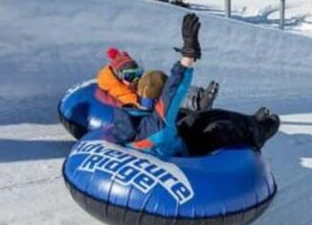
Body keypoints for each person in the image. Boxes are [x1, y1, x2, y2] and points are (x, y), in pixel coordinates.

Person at [111, 13, 280, 158]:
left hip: (171, 136)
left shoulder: (127, 117)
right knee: (219, 130)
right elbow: (172, 93)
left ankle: (247, 119)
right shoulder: (154, 124)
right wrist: (187, 58)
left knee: (201, 117)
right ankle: (260, 131)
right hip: (182, 152)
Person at [97, 47, 219, 111]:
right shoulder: (114, 87)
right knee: (166, 96)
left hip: (145, 98)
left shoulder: (131, 83)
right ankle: (196, 103)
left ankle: (199, 94)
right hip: (144, 104)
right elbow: (129, 101)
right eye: (129, 76)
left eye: (137, 73)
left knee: (166, 84)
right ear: (119, 76)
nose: (135, 79)